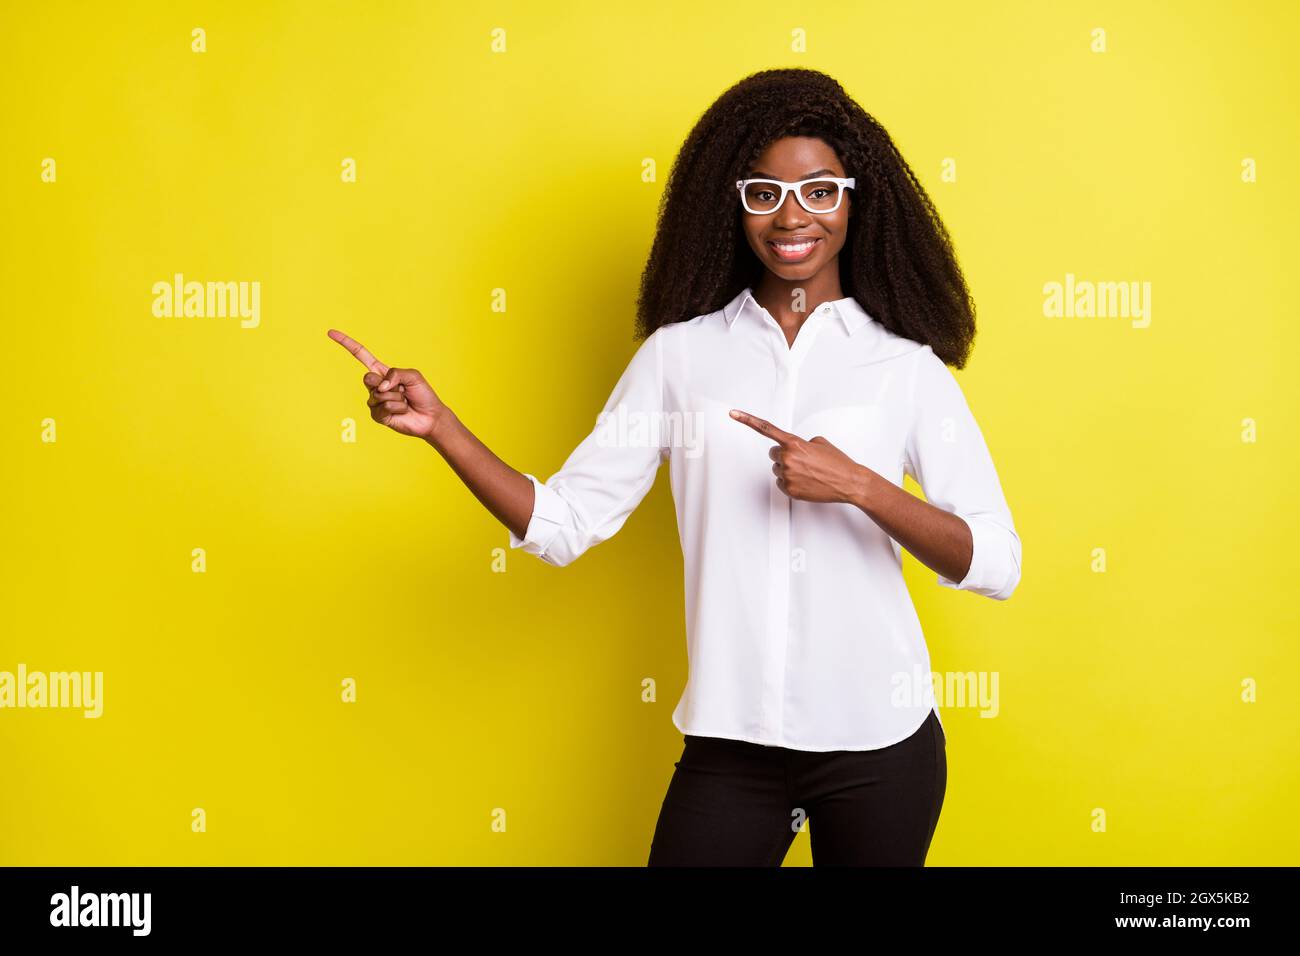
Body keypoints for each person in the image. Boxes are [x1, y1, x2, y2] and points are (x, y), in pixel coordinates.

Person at [327, 67, 1021, 866]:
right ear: (731, 204)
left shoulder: (905, 368)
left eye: (820, 190)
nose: (792, 216)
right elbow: (563, 525)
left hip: (880, 742)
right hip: (732, 745)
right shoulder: (680, 358)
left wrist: (861, 486)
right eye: (764, 193)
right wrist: (442, 428)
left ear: (856, 200)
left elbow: (997, 563)